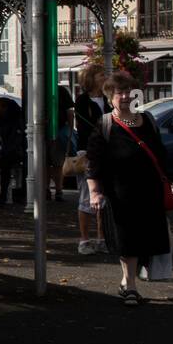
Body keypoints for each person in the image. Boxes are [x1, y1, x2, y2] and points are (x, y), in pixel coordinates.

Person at [85, 70, 173, 305]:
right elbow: (93, 162)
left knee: (148, 237)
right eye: (119, 93)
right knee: (128, 238)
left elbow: (161, 153)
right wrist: (95, 191)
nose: (125, 96)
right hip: (120, 193)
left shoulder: (149, 121)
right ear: (109, 97)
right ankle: (130, 285)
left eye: (128, 92)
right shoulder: (105, 124)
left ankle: (130, 278)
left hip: (150, 191)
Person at [73, 64, 109, 254]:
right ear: (92, 78)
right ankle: (84, 239)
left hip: (106, 151)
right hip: (88, 151)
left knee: (104, 198)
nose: (105, 77)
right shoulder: (82, 101)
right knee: (87, 197)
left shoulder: (107, 99)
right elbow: (85, 127)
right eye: (101, 74)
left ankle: (103, 237)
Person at [48, 83, 75, 201]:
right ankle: (50, 190)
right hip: (46, 133)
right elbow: (70, 113)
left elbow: (70, 112)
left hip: (57, 132)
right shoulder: (58, 90)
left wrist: (69, 132)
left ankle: (57, 190)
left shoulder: (60, 91)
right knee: (51, 164)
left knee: (57, 164)